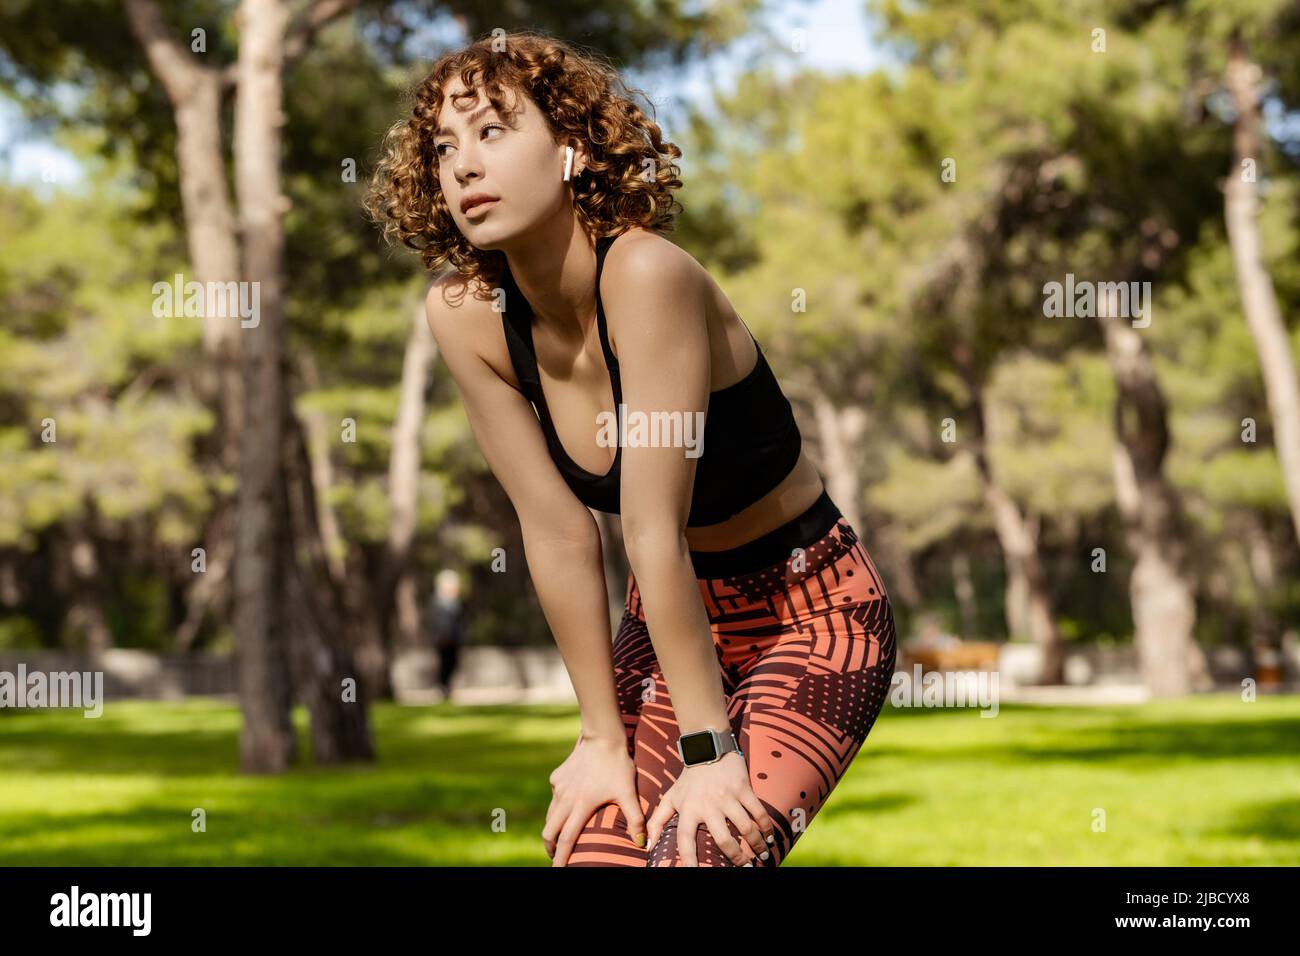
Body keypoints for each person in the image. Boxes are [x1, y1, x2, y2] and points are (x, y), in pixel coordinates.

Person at [364, 30, 897, 868]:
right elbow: (558, 531)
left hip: (811, 611)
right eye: (444, 146)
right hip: (669, 619)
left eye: (493, 130)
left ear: (573, 150)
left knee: (702, 852)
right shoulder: (465, 317)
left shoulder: (647, 276)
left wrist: (710, 753)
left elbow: (650, 531)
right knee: (593, 854)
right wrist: (598, 737)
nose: (463, 164)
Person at [426, 569, 466, 699]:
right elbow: (440, 623)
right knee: (446, 664)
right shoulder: (439, 603)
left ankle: (445, 687)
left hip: (453, 639)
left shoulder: (455, 602)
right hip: (444, 639)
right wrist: (442, 636)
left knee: (453, 663)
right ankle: (443, 687)